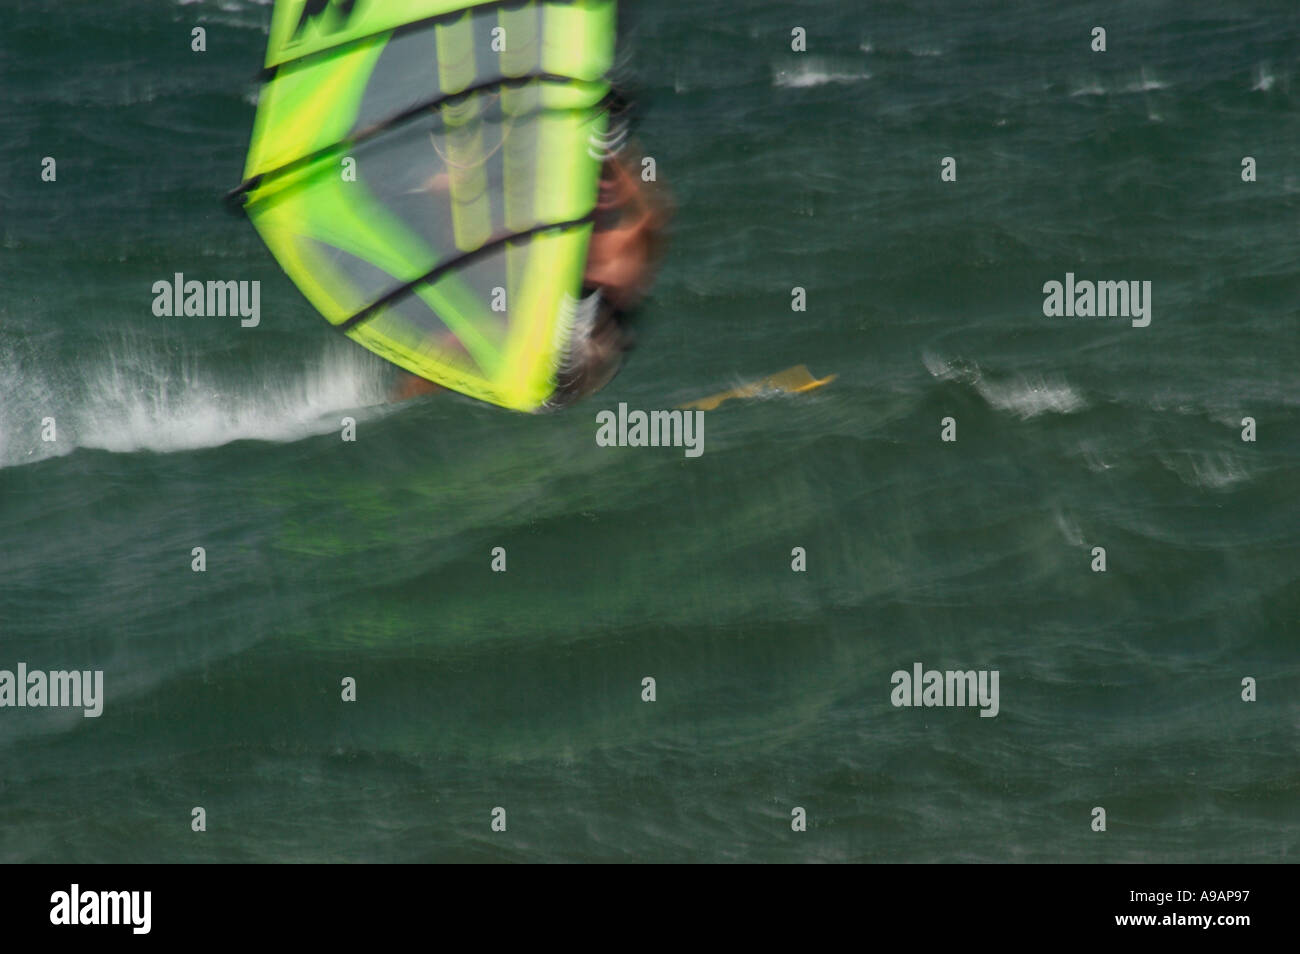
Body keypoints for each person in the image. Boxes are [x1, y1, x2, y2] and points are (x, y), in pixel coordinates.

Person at [392, 145, 670, 406]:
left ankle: (402, 404)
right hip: (538, 355)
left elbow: (655, 212)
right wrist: (448, 199)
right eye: (595, 181)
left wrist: (615, 155)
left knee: (457, 343)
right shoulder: (547, 238)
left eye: (607, 181)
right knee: (448, 344)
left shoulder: (619, 249)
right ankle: (399, 406)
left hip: (584, 365)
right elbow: (472, 255)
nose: (603, 190)